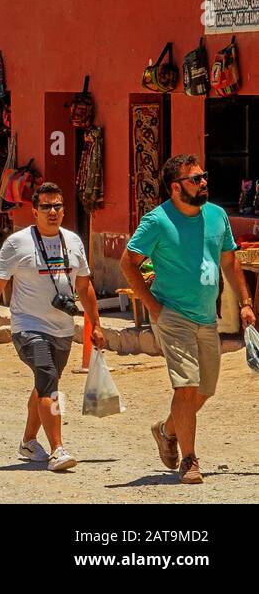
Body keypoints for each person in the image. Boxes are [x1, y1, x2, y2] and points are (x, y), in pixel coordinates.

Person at [120, 154, 255, 485]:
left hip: (207, 317)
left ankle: (167, 429)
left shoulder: (217, 216)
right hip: (172, 315)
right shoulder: (157, 221)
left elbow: (230, 262)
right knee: (187, 385)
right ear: (175, 187)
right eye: (195, 179)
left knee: (205, 390)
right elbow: (128, 262)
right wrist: (152, 307)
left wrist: (245, 303)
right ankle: (190, 460)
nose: (204, 182)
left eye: (203, 176)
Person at [0, 182, 103, 473]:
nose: (53, 211)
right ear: (34, 211)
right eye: (46, 206)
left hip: (62, 328)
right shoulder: (17, 243)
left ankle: (29, 442)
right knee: (48, 380)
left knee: (45, 384)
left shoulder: (73, 241)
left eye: (58, 206)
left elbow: (84, 284)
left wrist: (96, 324)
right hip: (28, 327)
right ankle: (58, 449)